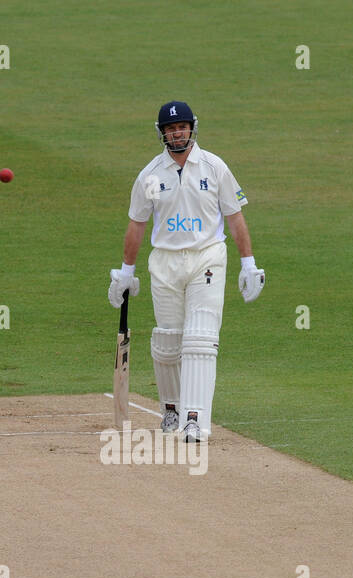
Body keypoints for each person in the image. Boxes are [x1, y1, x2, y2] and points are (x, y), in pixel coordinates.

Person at [108, 101, 264, 443]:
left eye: (181, 127)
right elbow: (137, 225)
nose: (177, 133)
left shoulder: (215, 167)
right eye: (170, 128)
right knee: (168, 340)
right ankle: (172, 410)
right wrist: (125, 272)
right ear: (162, 133)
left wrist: (248, 262)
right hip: (164, 262)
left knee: (200, 340)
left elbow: (235, 217)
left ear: (192, 128)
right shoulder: (150, 175)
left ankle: (195, 420)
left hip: (206, 257)